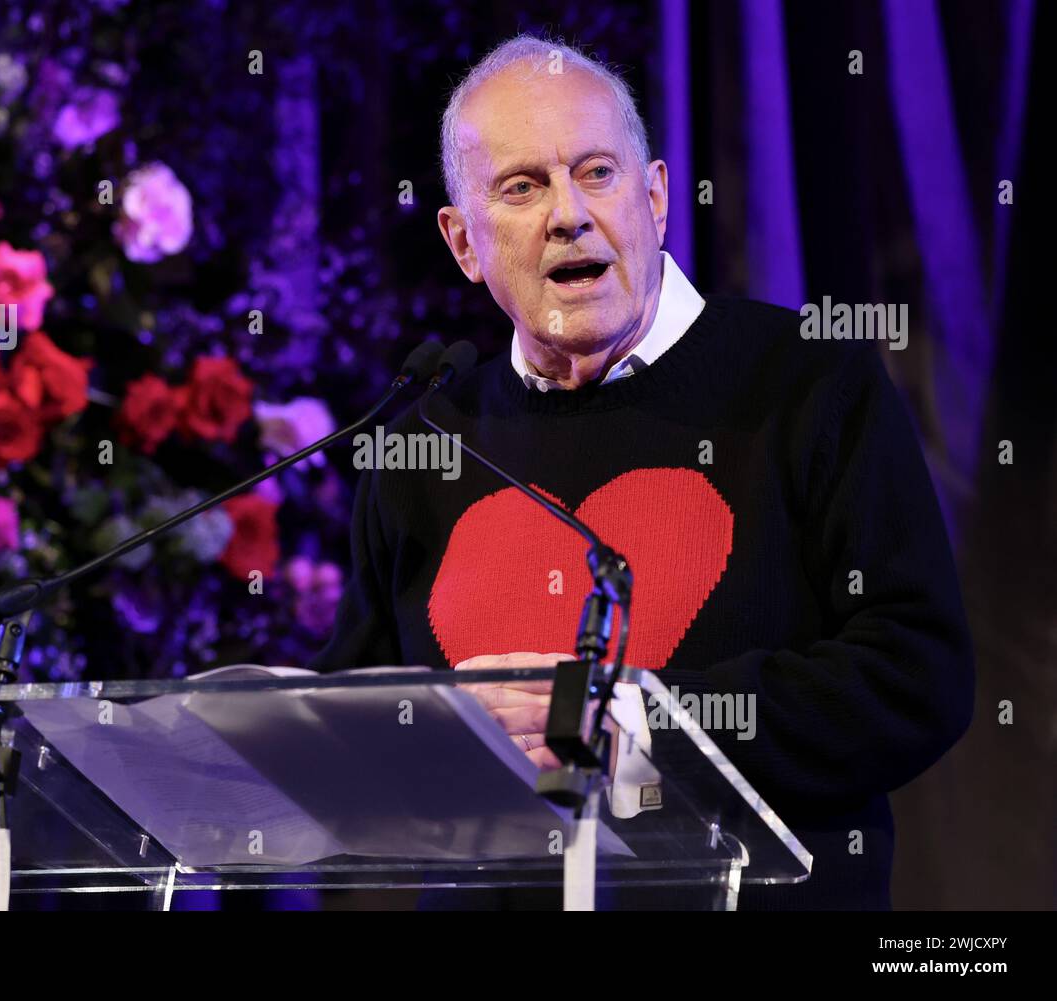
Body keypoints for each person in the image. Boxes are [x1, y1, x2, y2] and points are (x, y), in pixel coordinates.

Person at [311, 34, 974, 910]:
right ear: (463, 241)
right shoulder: (428, 442)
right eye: (521, 186)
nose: (568, 214)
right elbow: (361, 731)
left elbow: (913, 675)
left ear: (656, 196)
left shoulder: (810, 380)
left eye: (596, 173)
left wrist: (630, 725)